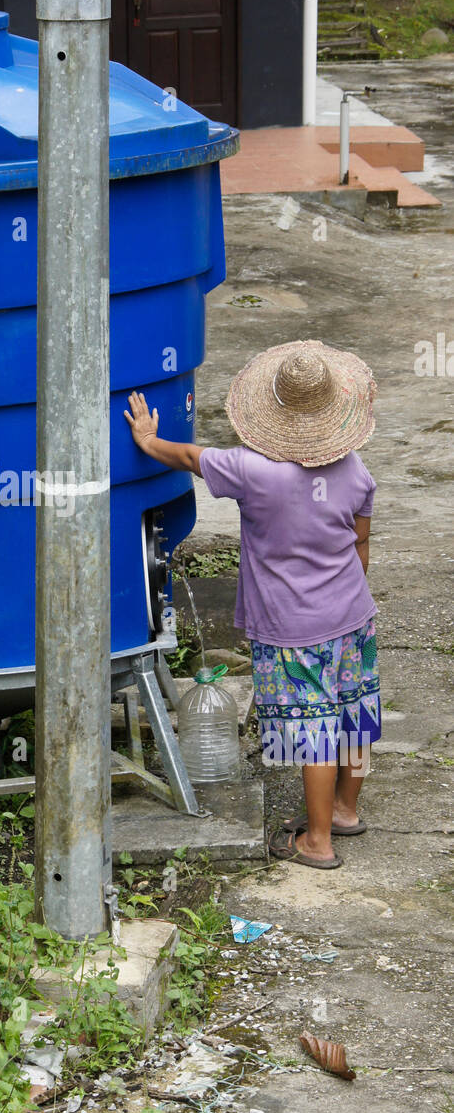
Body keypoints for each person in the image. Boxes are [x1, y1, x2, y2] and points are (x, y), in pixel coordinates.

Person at [124, 339, 379, 871]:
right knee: (351, 714)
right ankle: (344, 811)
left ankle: (317, 843)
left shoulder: (250, 470)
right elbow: (361, 548)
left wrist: (150, 441)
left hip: (293, 629)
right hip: (353, 616)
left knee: (313, 731)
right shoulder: (355, 471)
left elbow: (192, 457)